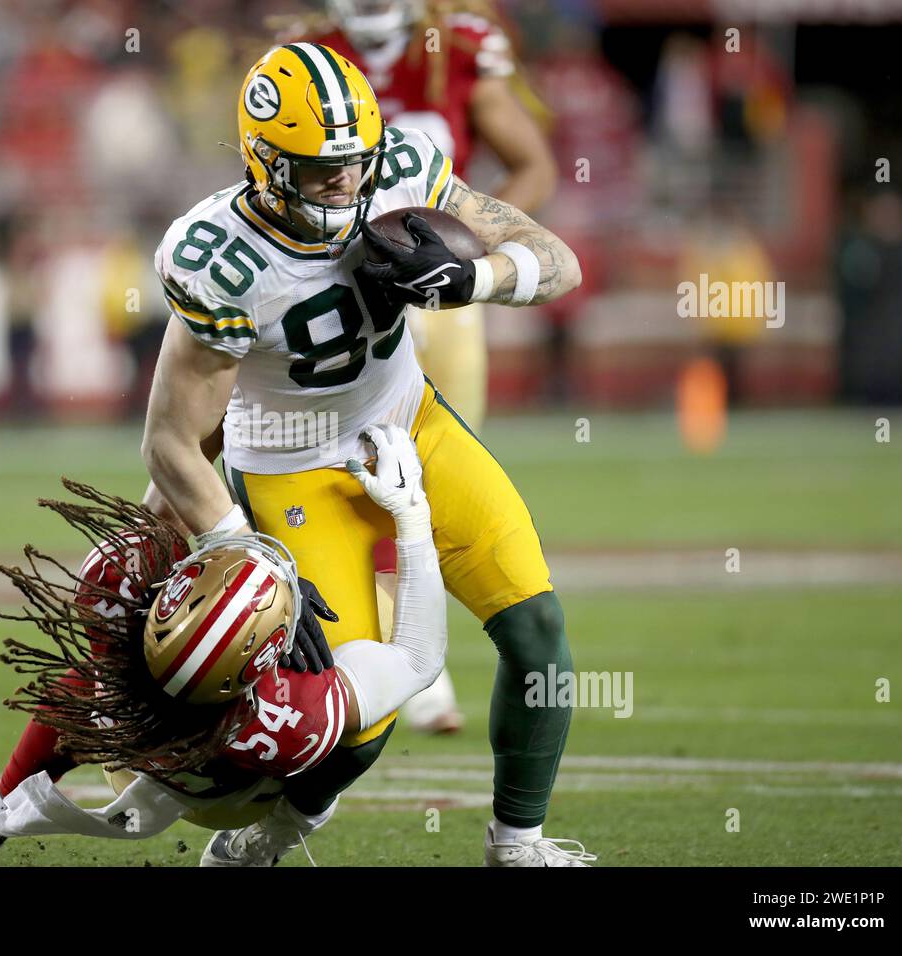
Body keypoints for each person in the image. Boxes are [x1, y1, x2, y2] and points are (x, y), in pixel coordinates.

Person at [139, 43, 593, 866]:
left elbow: (559, 260)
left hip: (409, 423)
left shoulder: (402, 172)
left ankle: (516, 845)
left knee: (538, 629)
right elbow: (171, 440)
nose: (347, 181)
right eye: (322, 169)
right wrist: (248, 559)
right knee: (357, 720)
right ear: (266, 162)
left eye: (355, 161)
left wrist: (473, 281)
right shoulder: (221, 256)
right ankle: (262, 838)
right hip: (292, 466)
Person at [0, 425, 451, 867]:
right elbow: (420, 658)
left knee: (97, 678)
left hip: (136, 754)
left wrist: (216, 418)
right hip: (239, 798)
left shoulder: (119, 580)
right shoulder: (290, 712)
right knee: (368, 705)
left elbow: (168, 493)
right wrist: (409, 516)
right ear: (263, 662)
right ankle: (271, 837)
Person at [309, 0, 558, 734]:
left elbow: (534, 165)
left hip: (440, 304)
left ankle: (417, 655)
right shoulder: (309, 56)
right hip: (343, 303)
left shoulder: (455, 47)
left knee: (428, 478)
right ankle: (413, 664)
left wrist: (465, 247)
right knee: (358, 480)